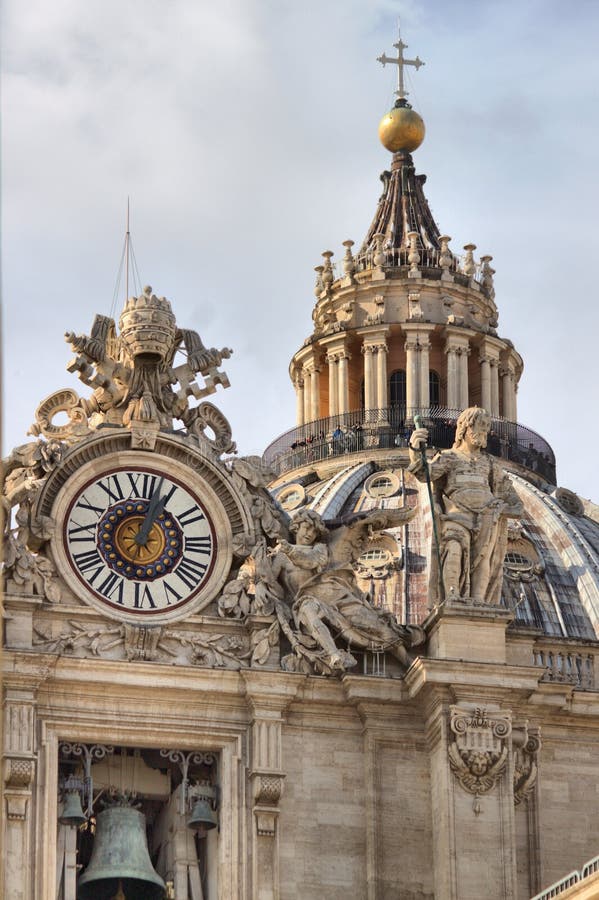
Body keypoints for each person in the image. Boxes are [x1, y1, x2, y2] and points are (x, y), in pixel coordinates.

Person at [265, 508, 418, 672]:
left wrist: (290, 550)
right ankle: (333, 654)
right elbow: (268, 581)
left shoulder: (319, 549)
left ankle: (408, 661)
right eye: (306, 527)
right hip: (307, 599)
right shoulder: (280, 557)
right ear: (296, 526)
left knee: (375, 626)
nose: (309, 533)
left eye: (314, 531)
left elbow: (309, 562)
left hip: (335, 596)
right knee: (308, 611)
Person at [408, 406, 522, 605]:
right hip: (455, 513)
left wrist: (500, 508)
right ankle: (452, 599)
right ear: (465, 428)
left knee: (482, 558)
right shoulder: (449, 457)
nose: (485, 432)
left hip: (487, 515)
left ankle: (479, 603)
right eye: (481, 426)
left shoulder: (490, 463)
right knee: (453, 548)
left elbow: (513, 500)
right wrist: (416, 450)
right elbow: (424, 473)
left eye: (487, 427)